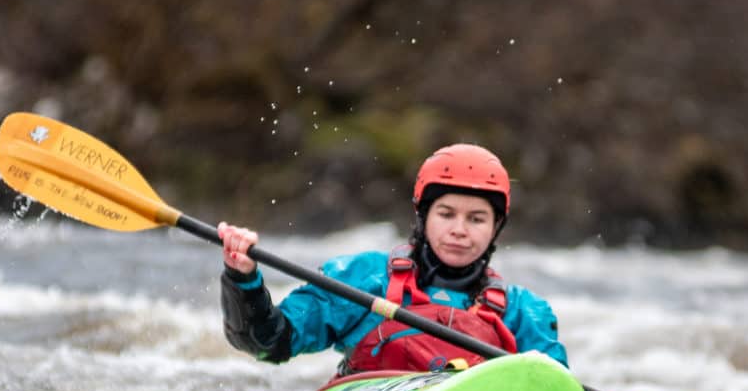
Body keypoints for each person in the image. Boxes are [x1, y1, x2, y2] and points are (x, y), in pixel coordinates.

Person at [217, 143, 567, 377]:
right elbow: (269, 342)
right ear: (423, 217)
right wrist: (243, 279)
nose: (460, 230)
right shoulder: (364, 278)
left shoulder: (523, 312)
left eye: (476, 219)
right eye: (446, 214)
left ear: (495, 228)